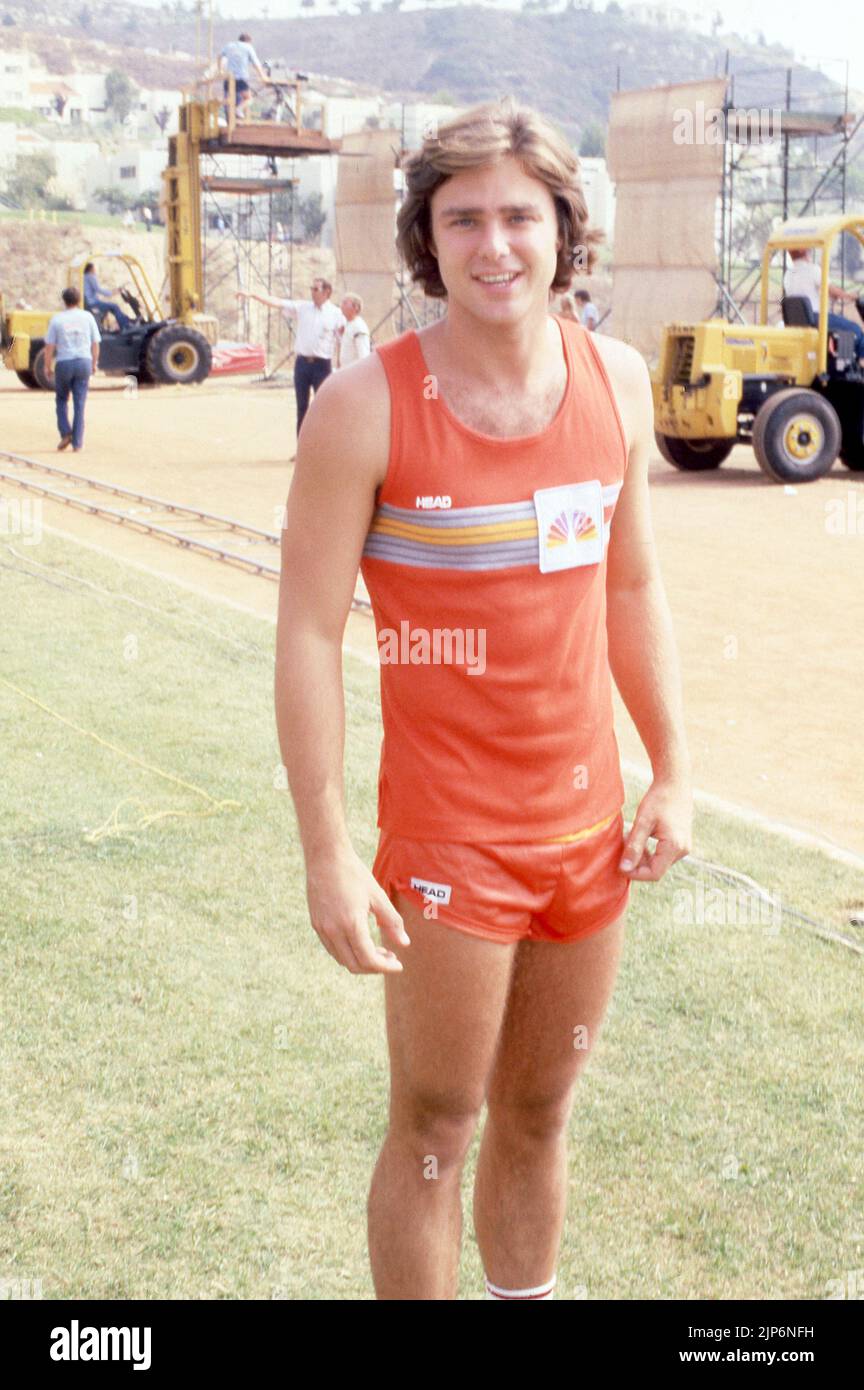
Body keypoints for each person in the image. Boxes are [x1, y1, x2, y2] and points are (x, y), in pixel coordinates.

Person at [274, 97, 692, 1302]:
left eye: (520, 215)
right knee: (435, 1127)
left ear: (566, 228)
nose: (494, 243)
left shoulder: (614, 381)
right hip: (451, 841)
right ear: (428, 237)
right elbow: (307, 633)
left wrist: (670, 764)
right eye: (464, 219)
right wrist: (328, 853)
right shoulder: (364, 406)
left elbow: (633, 582)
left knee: (541, 1111)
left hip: (588, 835)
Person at [236, 279, 345, 439]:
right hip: (302, 364)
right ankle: (301, 447)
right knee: (302, 406)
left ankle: (323, 446)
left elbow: (341, 340)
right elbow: (277, 303)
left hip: (322, 365)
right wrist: (253, 295)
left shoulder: (336, 314)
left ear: (326, 292)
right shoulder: (303, 308)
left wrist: (340, 367)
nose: (312, 292)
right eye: (311, 288)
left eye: (316, 289)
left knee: (323, 407)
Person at [43, 286, 100, 453]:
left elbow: (49, 346)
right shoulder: (88, 317)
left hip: (64, 362)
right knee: (80, 403)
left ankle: (65, 432)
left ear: (64, 301)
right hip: (83, 362)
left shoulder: (57, 320)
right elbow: (95, 343)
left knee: (61, 399)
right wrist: (94, 363)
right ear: (79, 300)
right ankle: (78, 442)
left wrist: (47, 367)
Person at [784, 247, 864, 362]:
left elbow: (811, 290)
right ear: (803, 250)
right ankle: (860, 366)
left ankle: (842, 363)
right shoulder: (813, 269)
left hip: (797, 321)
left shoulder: (788, 274)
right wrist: (851, 296)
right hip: (816, 318)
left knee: (840, 327)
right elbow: (833, 291)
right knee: (855, 330)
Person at [219, 32, 271, 123]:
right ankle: (238, 110)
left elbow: (219, 56)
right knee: (248, 99)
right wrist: (263, 77)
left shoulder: (229, 46)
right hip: (240, 77)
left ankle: (230, 120)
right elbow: (256, 64)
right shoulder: (248, 47)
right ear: (248, 41)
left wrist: (220, 70)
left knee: (228, 101)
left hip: (228, 78)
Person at [82, 261, 132, 332]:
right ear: (90, 269)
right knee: (115, 306)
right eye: (94, 268)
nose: (95, 270)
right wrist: (111, 293)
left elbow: (94, 290)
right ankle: (125, 326)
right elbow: (98, 289)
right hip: (93, 303)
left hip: (89, 302)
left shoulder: (84, 277)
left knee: (112, 308)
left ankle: (126, 321)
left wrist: (112, 291)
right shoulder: (90, 276)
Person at [337, 293, 370, 368]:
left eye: (345, 303)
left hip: (354, 373)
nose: (341, 306)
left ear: (356, 307)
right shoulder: (348, 324)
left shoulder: (359, 327)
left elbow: (363, 355)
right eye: (342, 303)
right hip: (345, 371)